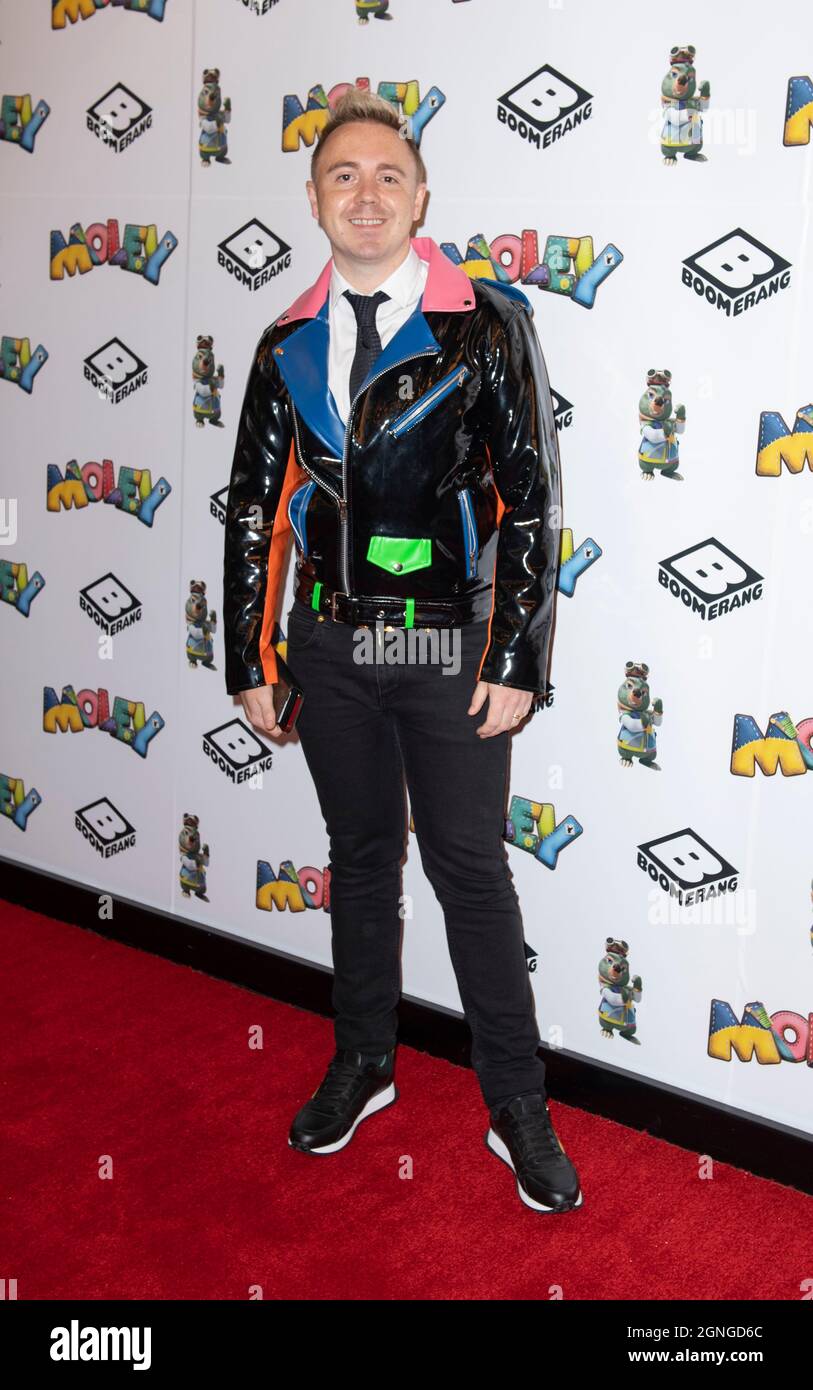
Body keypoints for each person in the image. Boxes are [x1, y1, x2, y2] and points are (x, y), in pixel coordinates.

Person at [222, 88, 582, 1214]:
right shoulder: (285, 341)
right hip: (328, 646)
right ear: (315, 198)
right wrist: (249, 654)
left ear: (421, 195)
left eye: (387, 176)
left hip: (445, 644)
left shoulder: (484, 322)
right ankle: (365, 1059)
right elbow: (250, 509)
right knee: (361, 856)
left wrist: (516, 653)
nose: (366, 194)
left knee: (471, 871)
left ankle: (515, 1103)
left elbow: (531, 502)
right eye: (342, 176)